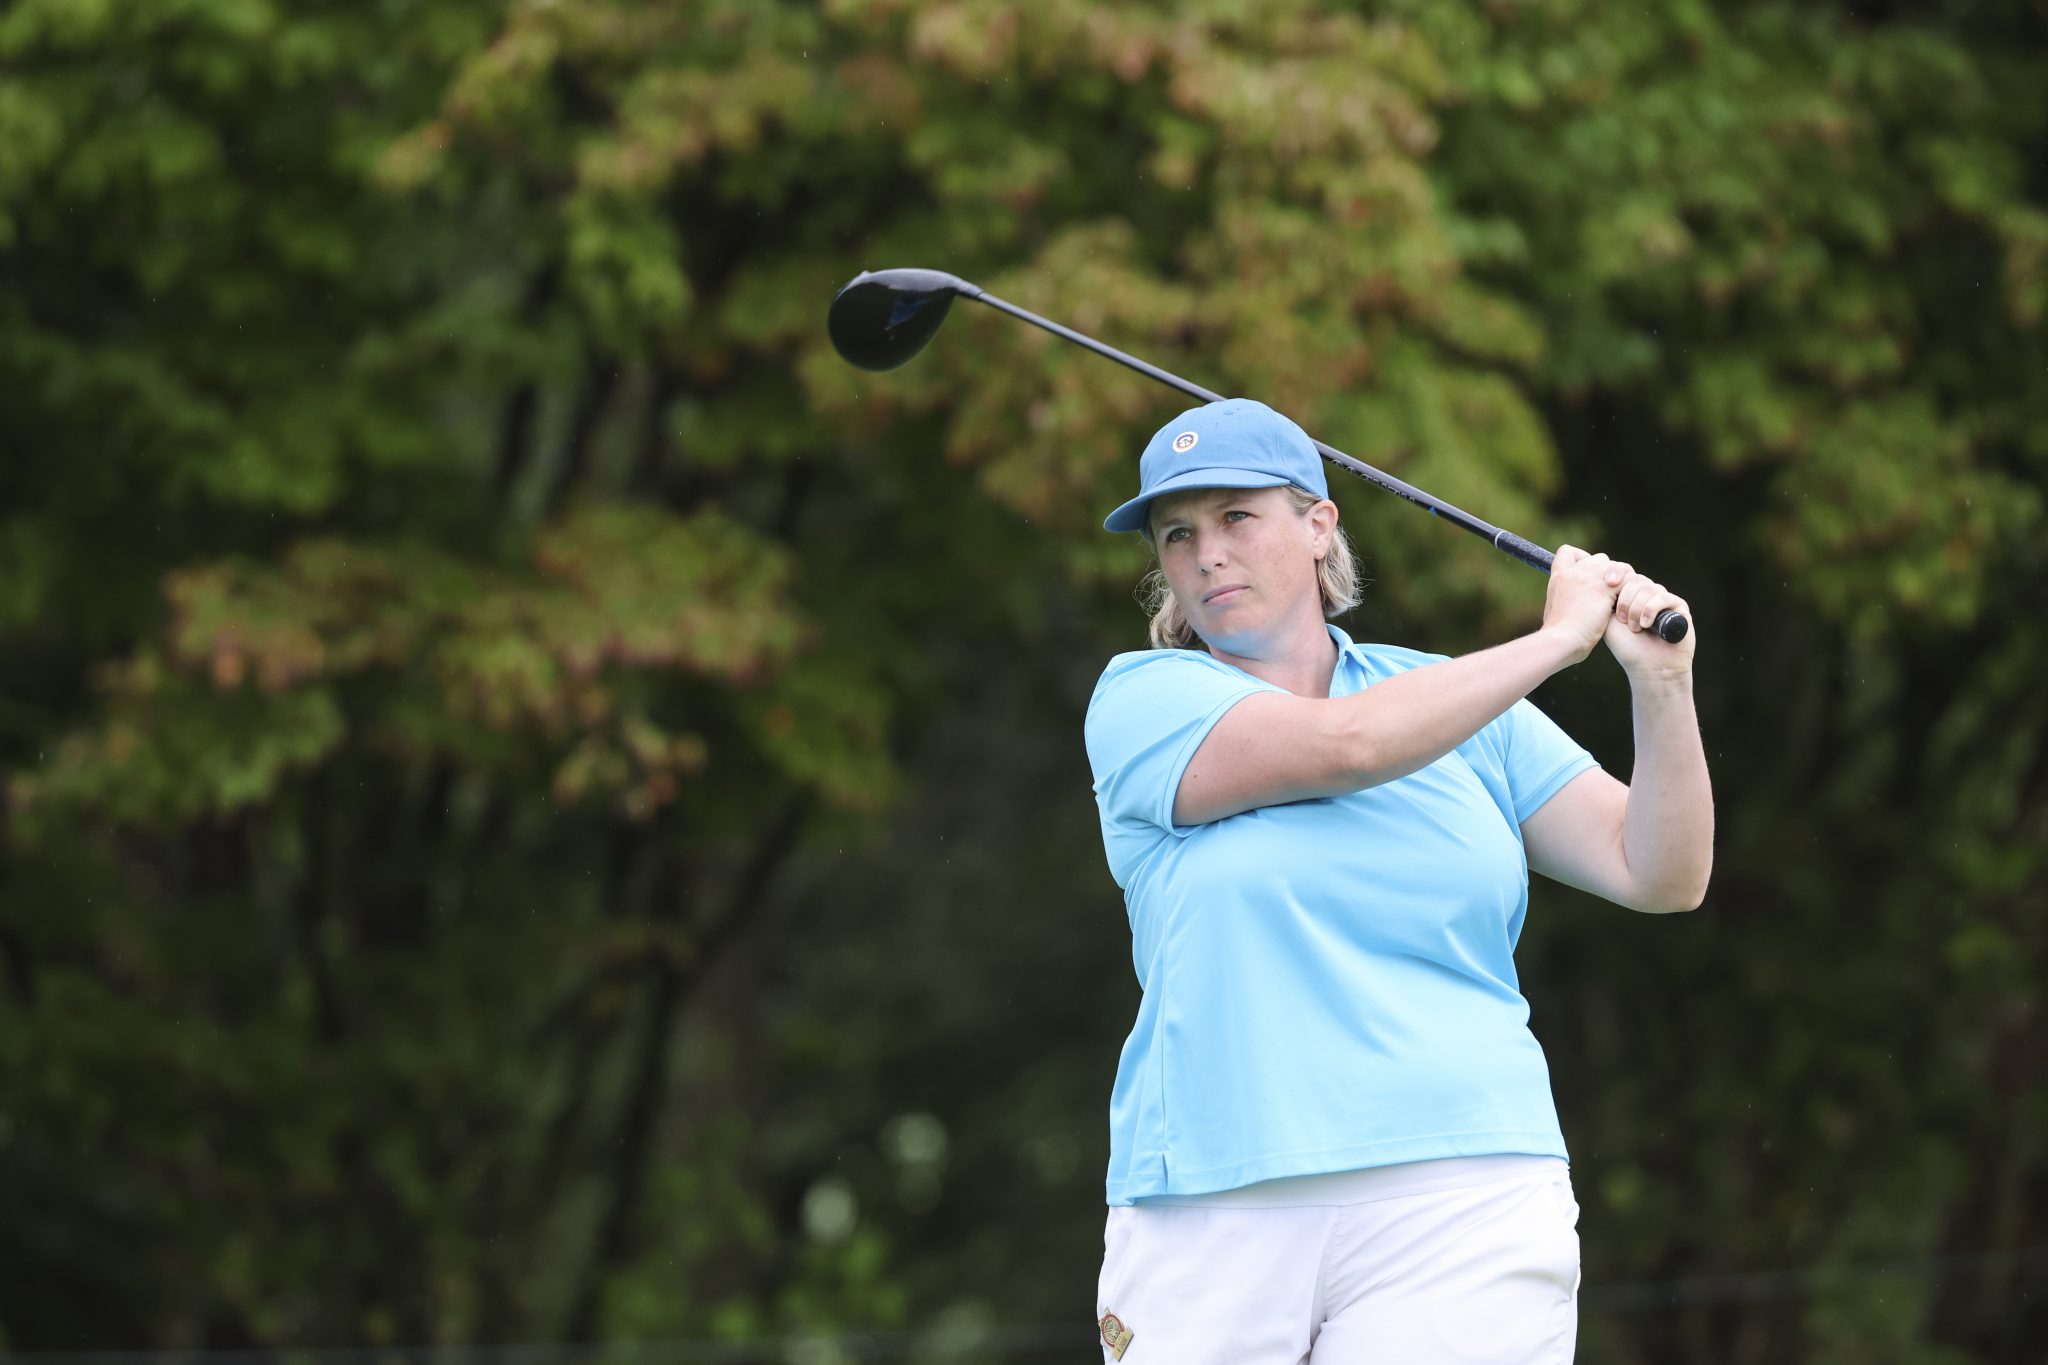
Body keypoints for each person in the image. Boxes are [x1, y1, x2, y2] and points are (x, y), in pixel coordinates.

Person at [1084, 398, 1713, 1364]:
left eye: (1237, 517)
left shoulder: (1462, 705)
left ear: (1320, 523)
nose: (1206, 552)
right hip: (1210, 1200)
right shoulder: (1147, 701)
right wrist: (1555, 641)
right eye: (1178, 534)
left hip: (1466, 1189)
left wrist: (1661, 685)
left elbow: (1659, 870)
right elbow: (1351, 743)